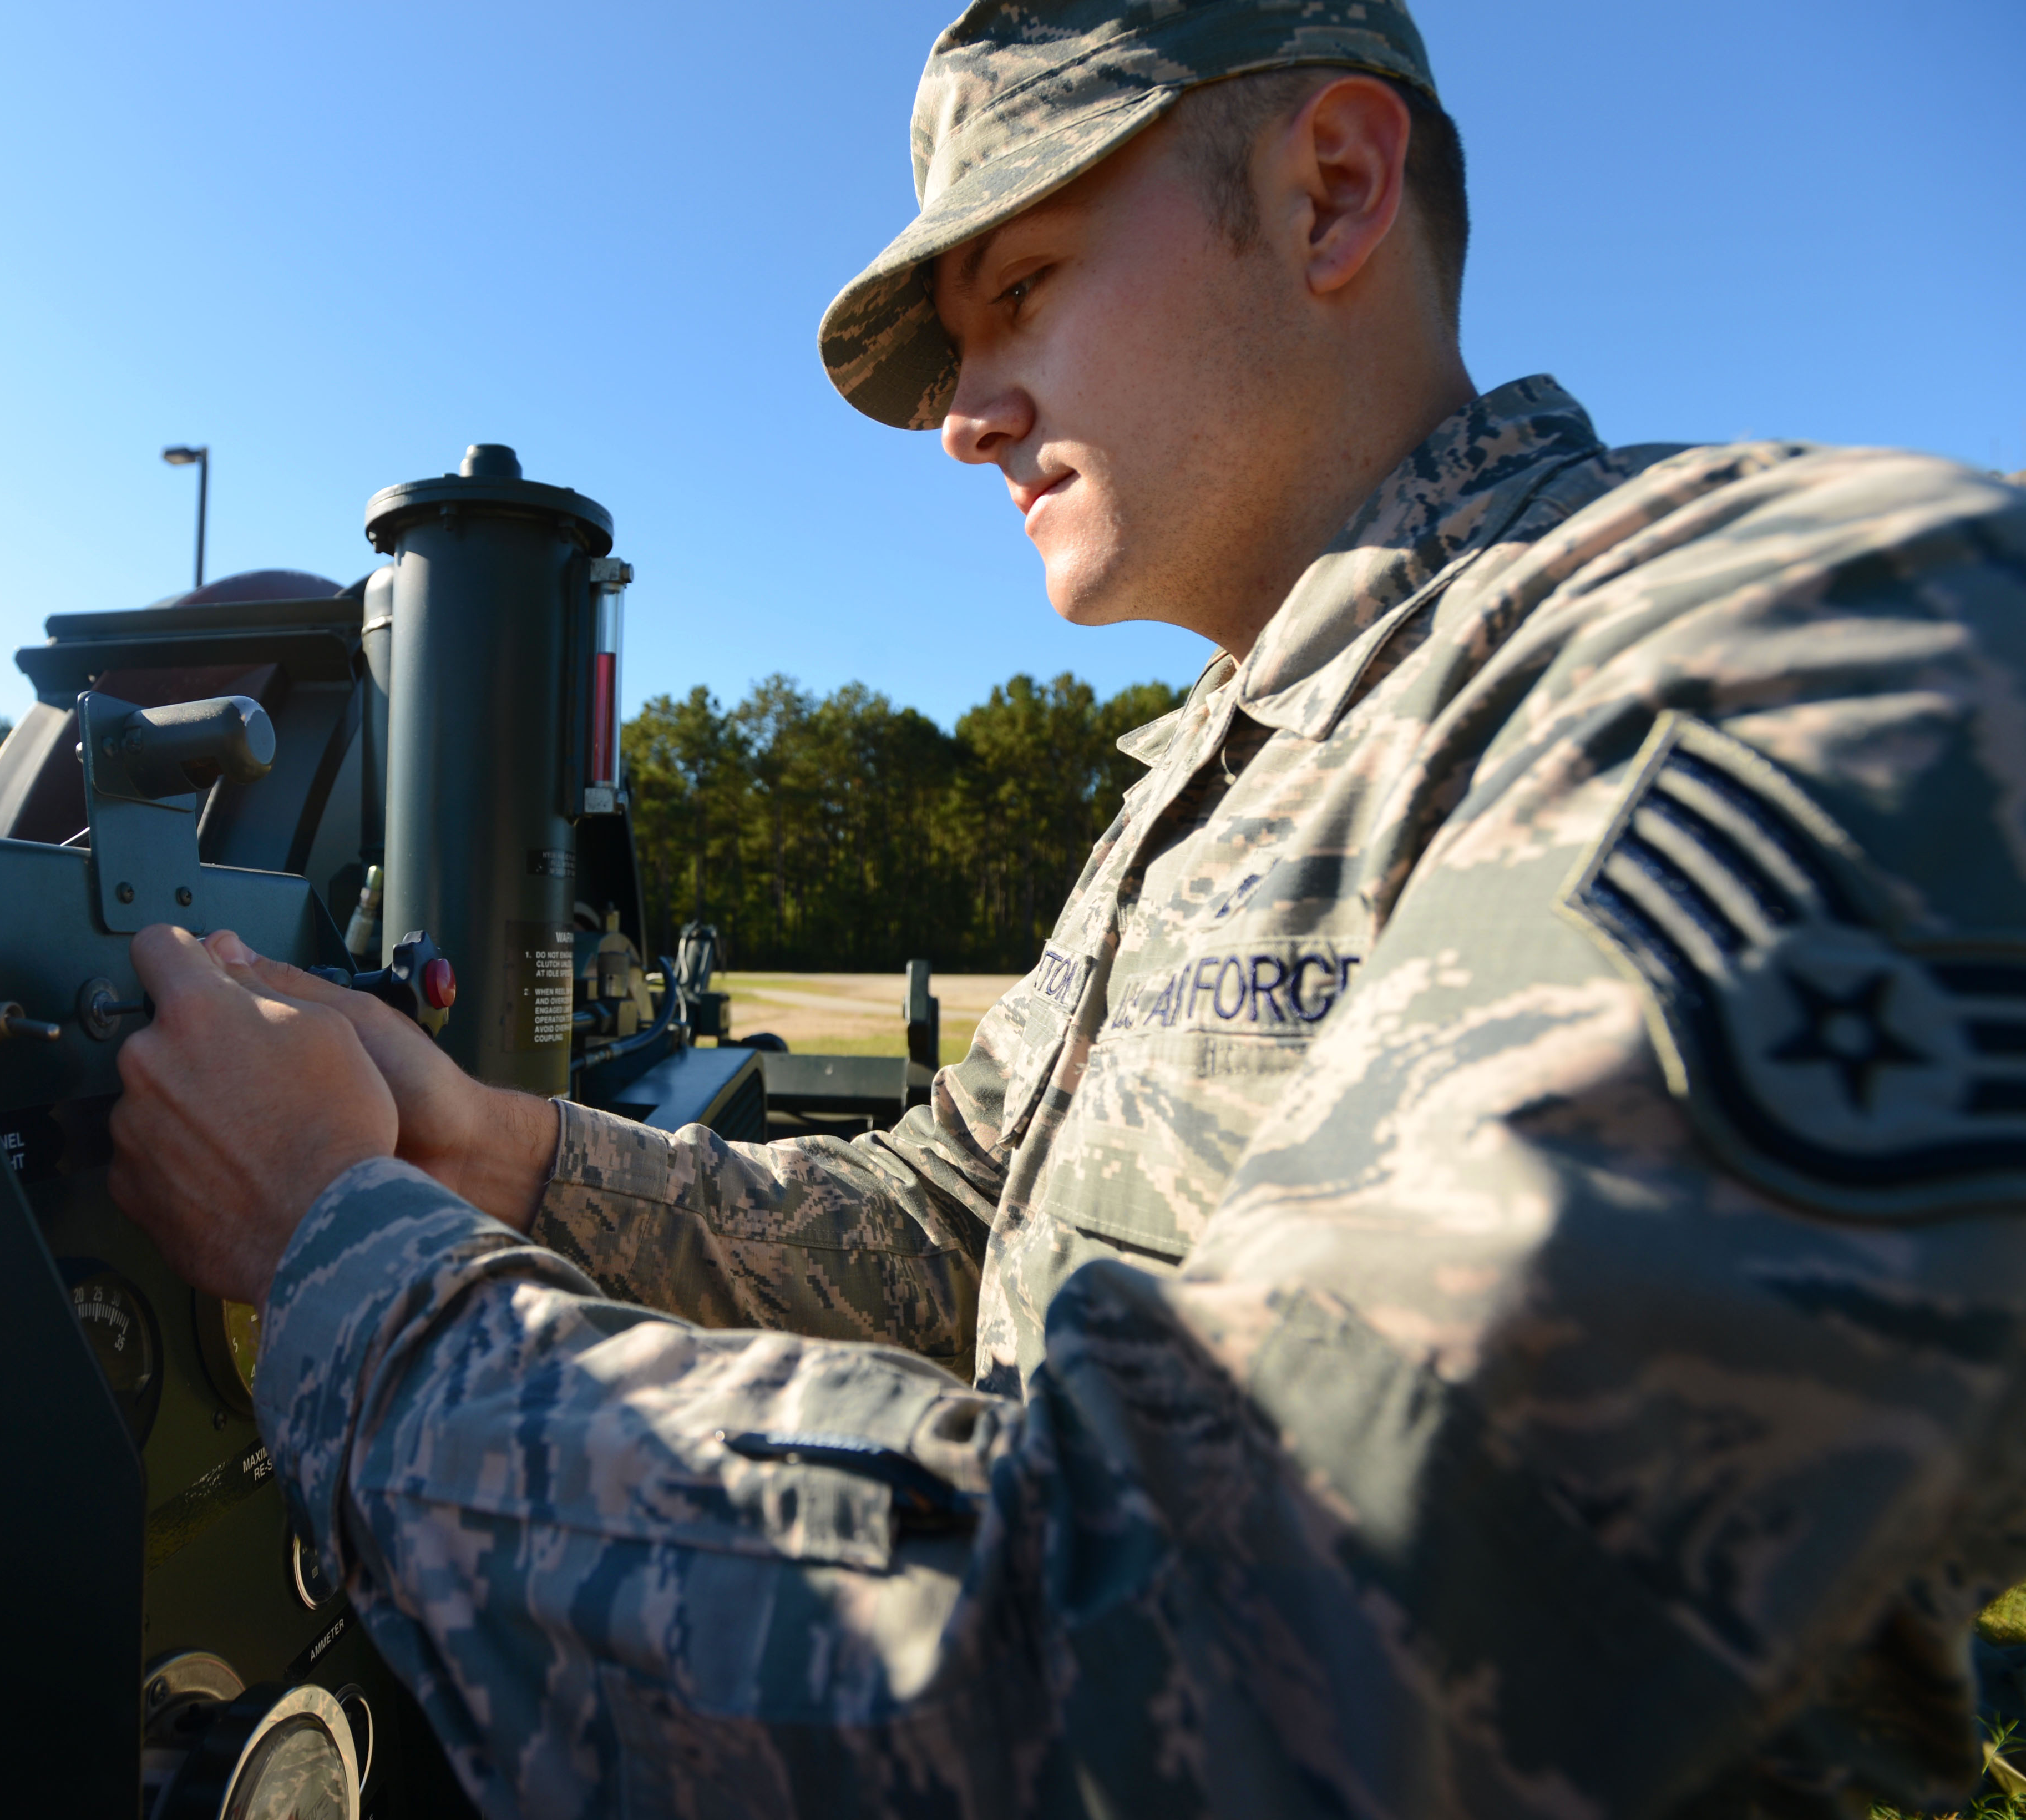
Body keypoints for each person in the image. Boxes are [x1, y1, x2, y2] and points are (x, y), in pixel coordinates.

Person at [106, 1, 2026, 1812]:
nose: (963, 417)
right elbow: (951, 1236)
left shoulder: (1778, 654)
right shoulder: (1245, 752)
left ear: (1334, 192)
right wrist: (494, 1150)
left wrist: (338, 1257)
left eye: (1019, 288)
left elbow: (1226, 1666)